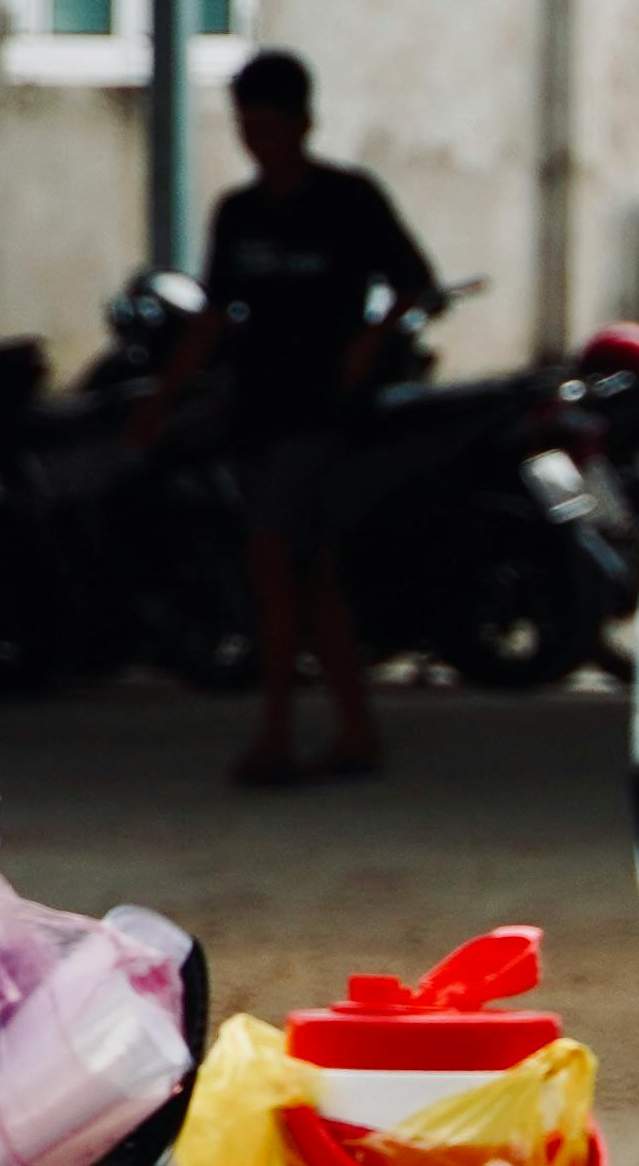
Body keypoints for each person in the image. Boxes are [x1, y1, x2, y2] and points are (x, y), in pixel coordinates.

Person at [158, 48, 434, 788]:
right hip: (258, 412)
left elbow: (416, 283)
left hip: (324, 415)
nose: (262, 142)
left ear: (305, 124)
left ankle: (277, 732)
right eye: (249, 128)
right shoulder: (238, 214)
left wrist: (368, 344)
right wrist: (162, 399)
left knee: (276, 563)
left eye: (274, 127)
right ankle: (355, 733)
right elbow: (213, 317)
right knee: (309, 578)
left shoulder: (349, 200)